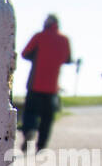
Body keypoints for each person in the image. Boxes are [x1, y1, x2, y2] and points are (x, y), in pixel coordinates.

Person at [20, 14, 73, 150]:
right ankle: (42, 145)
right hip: (52, 87)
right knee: (47, 119)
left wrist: (36, 57)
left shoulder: (39, 36)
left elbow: (25, 53)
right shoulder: (64, 39)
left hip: (35, 84)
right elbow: (68, 59)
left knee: (31, 112)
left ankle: (30, 130)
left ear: (46, 23)